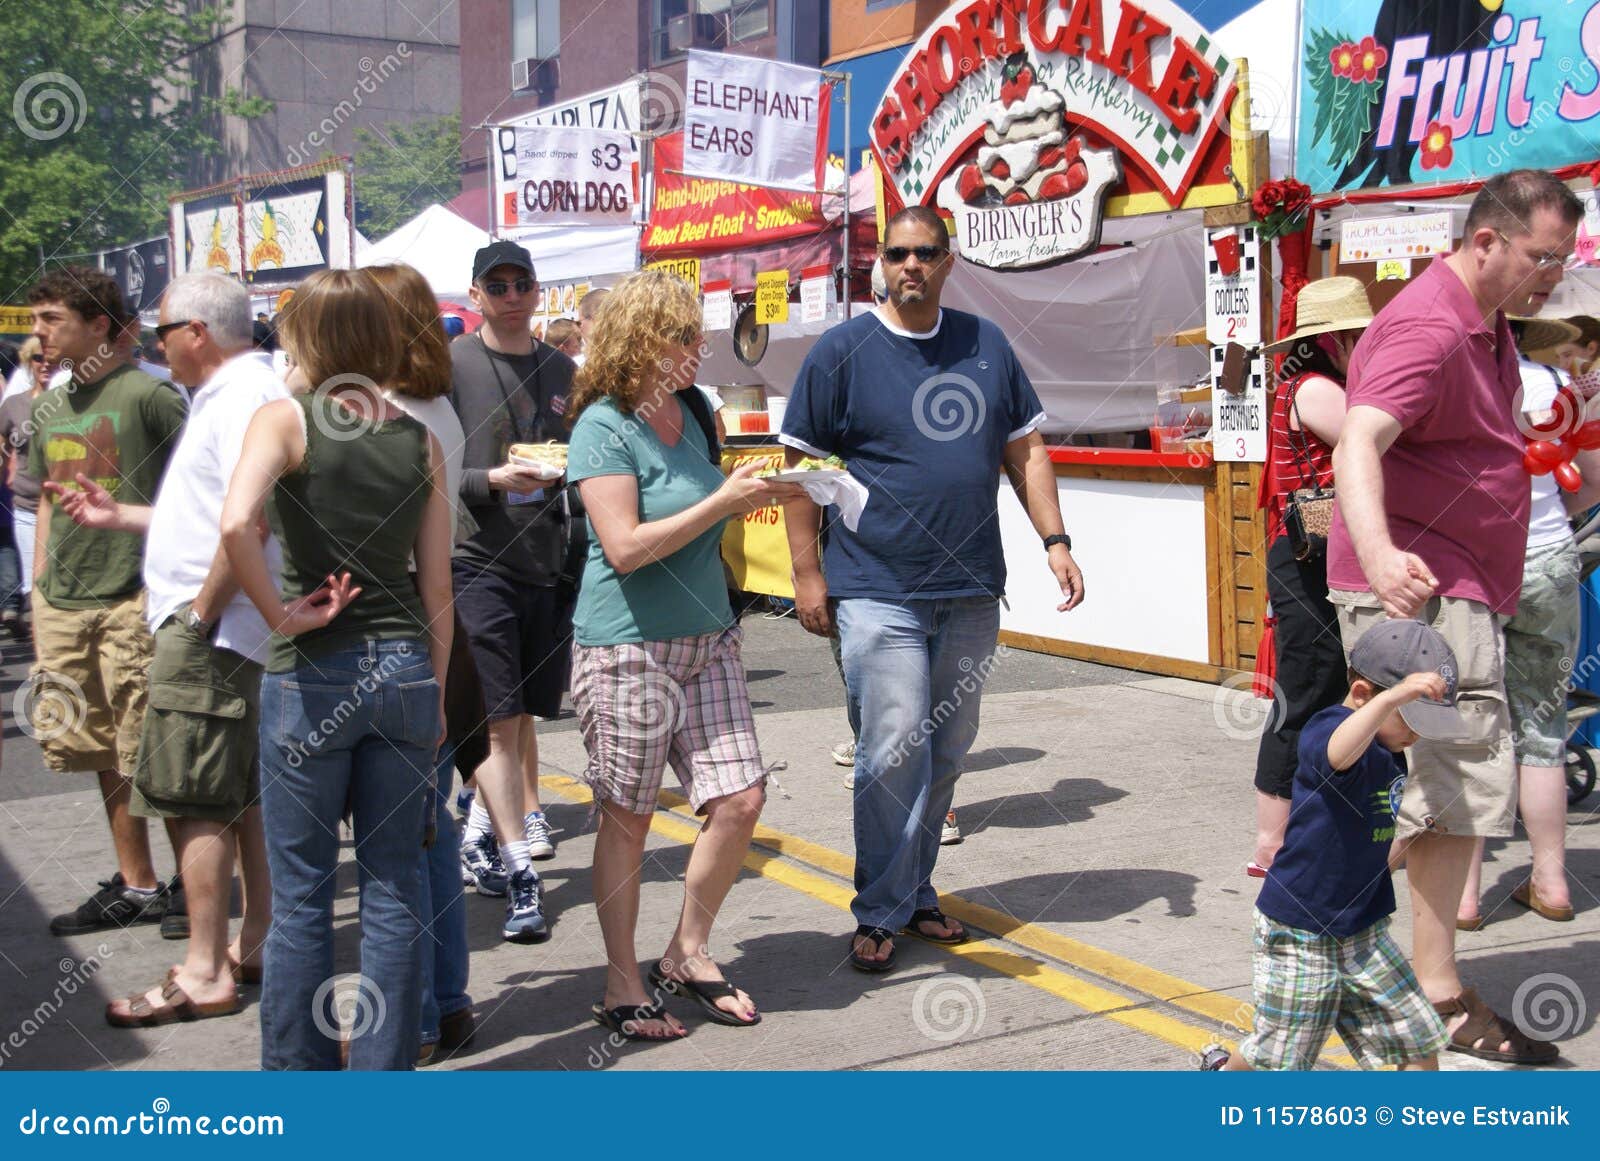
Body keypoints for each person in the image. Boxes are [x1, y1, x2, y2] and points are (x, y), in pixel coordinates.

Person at [780, 207, 1084, 973]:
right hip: (875, 585)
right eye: (897, 253)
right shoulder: (840, 353)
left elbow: (1026, 451)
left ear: (948, 262)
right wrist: (807, 574)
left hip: (971, 587)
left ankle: (914, 892)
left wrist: (1056, 541)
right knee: (890, 749)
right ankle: (880, 908)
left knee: (945, 749)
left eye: (925, 253)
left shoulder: (986, 344)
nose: (910, 264)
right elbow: (802, 471)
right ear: (881, 264)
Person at [1326, 168, 1579, 1065]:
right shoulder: (1432, 326)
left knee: (1439, 784)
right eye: (1542, 256)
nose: (1554, 273)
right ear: (1485, 242)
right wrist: (1382, 554)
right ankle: (1430, 995)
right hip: (1426, 589)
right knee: (1460, 779)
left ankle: (1362, 963)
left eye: (1564, 257)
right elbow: (1358, 438)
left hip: (1456, 585)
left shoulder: (1486, 320)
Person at [220, 268, 453, 1071]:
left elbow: (236, 524)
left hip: (311, 672)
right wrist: (436, 689)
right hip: (403, 670)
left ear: (308, 336)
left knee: (301, 894)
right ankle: (383, 1077)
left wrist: (281, 614)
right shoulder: (418, 438)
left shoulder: (285, 421)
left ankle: (300, 1081)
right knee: (395, 887)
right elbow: (438, 588)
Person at [567, 269, 805, 1041]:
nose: (697, 347)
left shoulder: (696, 408)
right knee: (628, 819)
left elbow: (705, 510)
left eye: (696, 334)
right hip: (628, 649)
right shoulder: (604, 426)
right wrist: (722, 501)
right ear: (639, 341)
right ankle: (622, 982)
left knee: (740, 799)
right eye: (680, 336)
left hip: (709, 638)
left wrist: (761, 494)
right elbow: (625, 547)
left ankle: (687, 950)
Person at [48, 273, 282, 1027]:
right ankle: (256, 941)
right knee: (238, 796)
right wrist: (123, 516)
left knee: (192, 798)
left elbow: (251, 523)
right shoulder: (233, 392)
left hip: (215, 630)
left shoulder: (241, 396)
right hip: (225, 627)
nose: (156, 344)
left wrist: (201, 611)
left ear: (197, 333)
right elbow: (214, 513)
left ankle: (205, 968)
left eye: (162, 331)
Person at [1202, 620, 1463, 1072]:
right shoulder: (1328, 728)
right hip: (1300, 929)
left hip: (1363, 928)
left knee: (1414, 1038)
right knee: (1280, 1055)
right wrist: (1391, 700)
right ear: (1362, 694)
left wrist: (1409, 838)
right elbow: (1339, 755)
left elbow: (1368, 839)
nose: (1418, 735)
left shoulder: (1391, 752)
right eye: (1412, 720)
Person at [26, 267, 188, 936]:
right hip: (65, 601)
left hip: (136, 596)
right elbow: (45, 499)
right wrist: (39, 590)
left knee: (155, 748)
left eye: (51, 319)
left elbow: (199, 491)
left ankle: (192, 885)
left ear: (98, 325)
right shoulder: (49, 404)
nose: (38, 332)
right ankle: (138, 883)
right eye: (36, 319)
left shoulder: (152, 396)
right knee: (95, 748)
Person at [364, 262, 476, 1060]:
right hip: (432, 613)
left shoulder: (393, 411)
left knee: (403, 837)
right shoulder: (429, 402)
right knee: (428, 825)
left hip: (399, 614)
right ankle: (447, 1001)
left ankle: (426, 1013)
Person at [450, 241, 573, 942]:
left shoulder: (561, 369)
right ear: (476, 294)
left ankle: (478, 832)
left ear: (536, 289)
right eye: (496, 285)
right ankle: (521, 868)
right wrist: (489, 480)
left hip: (545, 562)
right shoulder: (452, 365)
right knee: (497, 718)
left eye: (521, 283)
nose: (511, 295)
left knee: (522, 713)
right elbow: (429, 468)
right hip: (475, 561)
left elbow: (582, 455)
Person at [1457, 316, 1587, 930]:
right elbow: (1589, 483)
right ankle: (1552, 881)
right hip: (1549, 557)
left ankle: (1463, 895)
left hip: (1473, 562)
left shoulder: (1457, 383)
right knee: (1543, 727)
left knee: (1468, 729)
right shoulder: (1557, 386)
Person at [1248, 278, 1375, 875]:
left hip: (1307, 553)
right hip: (1309, 557)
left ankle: (1299, 825)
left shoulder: (1302, 385)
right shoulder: (1319, 388)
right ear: (1333, 339)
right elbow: (1376, 444)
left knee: (1316, 687)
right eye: (1358, 336)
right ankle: (1271, 844)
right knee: (1305, 689)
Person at [1, 337, 51, 640]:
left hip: (71, 510)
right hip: (28, 508)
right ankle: (45, 655)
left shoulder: (78, 400)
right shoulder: (15, 405)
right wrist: (8, 466)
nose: (45, 364)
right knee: (35, 587)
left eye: (50, 358)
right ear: (28, 363)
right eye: (37, 358)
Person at [573, 287, 609, 366]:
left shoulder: (576, 365)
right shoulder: (633, 356)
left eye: (579, 323)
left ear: (594, 319)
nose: (578, 329)